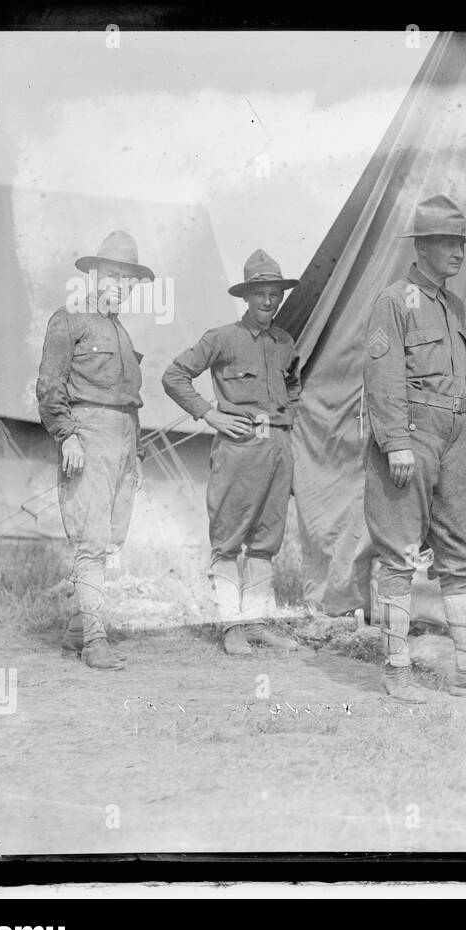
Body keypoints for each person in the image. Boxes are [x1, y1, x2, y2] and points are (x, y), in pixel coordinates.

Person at [364, 193, 466, 702]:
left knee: (460, 550)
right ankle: (396, 671)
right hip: (410, 433)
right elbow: (382, 378)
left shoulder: (452, 305)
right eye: (446, 242)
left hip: (452, 435)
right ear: (421, 247)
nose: (458, 251)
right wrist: (394, 443)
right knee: (399, 553)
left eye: (461, 242)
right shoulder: (394, 301)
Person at [162, 250, 302, 657]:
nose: (269, 301)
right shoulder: (221, 337)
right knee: (228, 538)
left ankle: (255, 622)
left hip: (278, 447)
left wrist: (286, 418)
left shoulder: (284, 341)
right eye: (260, 293)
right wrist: (210, 415)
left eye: (275, 293)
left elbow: (293, 384)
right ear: (246, 296)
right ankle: (230, 625)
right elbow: (174, 375)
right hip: (239, 449)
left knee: (266, 540)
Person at [36, 230, 152, 670]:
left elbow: (129, 400)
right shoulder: (69, 320)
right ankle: (95, 642)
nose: (121, 286)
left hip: (123, 442)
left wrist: (136, 454)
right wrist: (67, 436)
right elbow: (49, 386)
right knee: (92, 540)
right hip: (87, 437)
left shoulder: (120, 331)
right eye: (115, 276)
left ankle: (76, 628)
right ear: (96, 274)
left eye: (129, 281)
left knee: (112, 537)